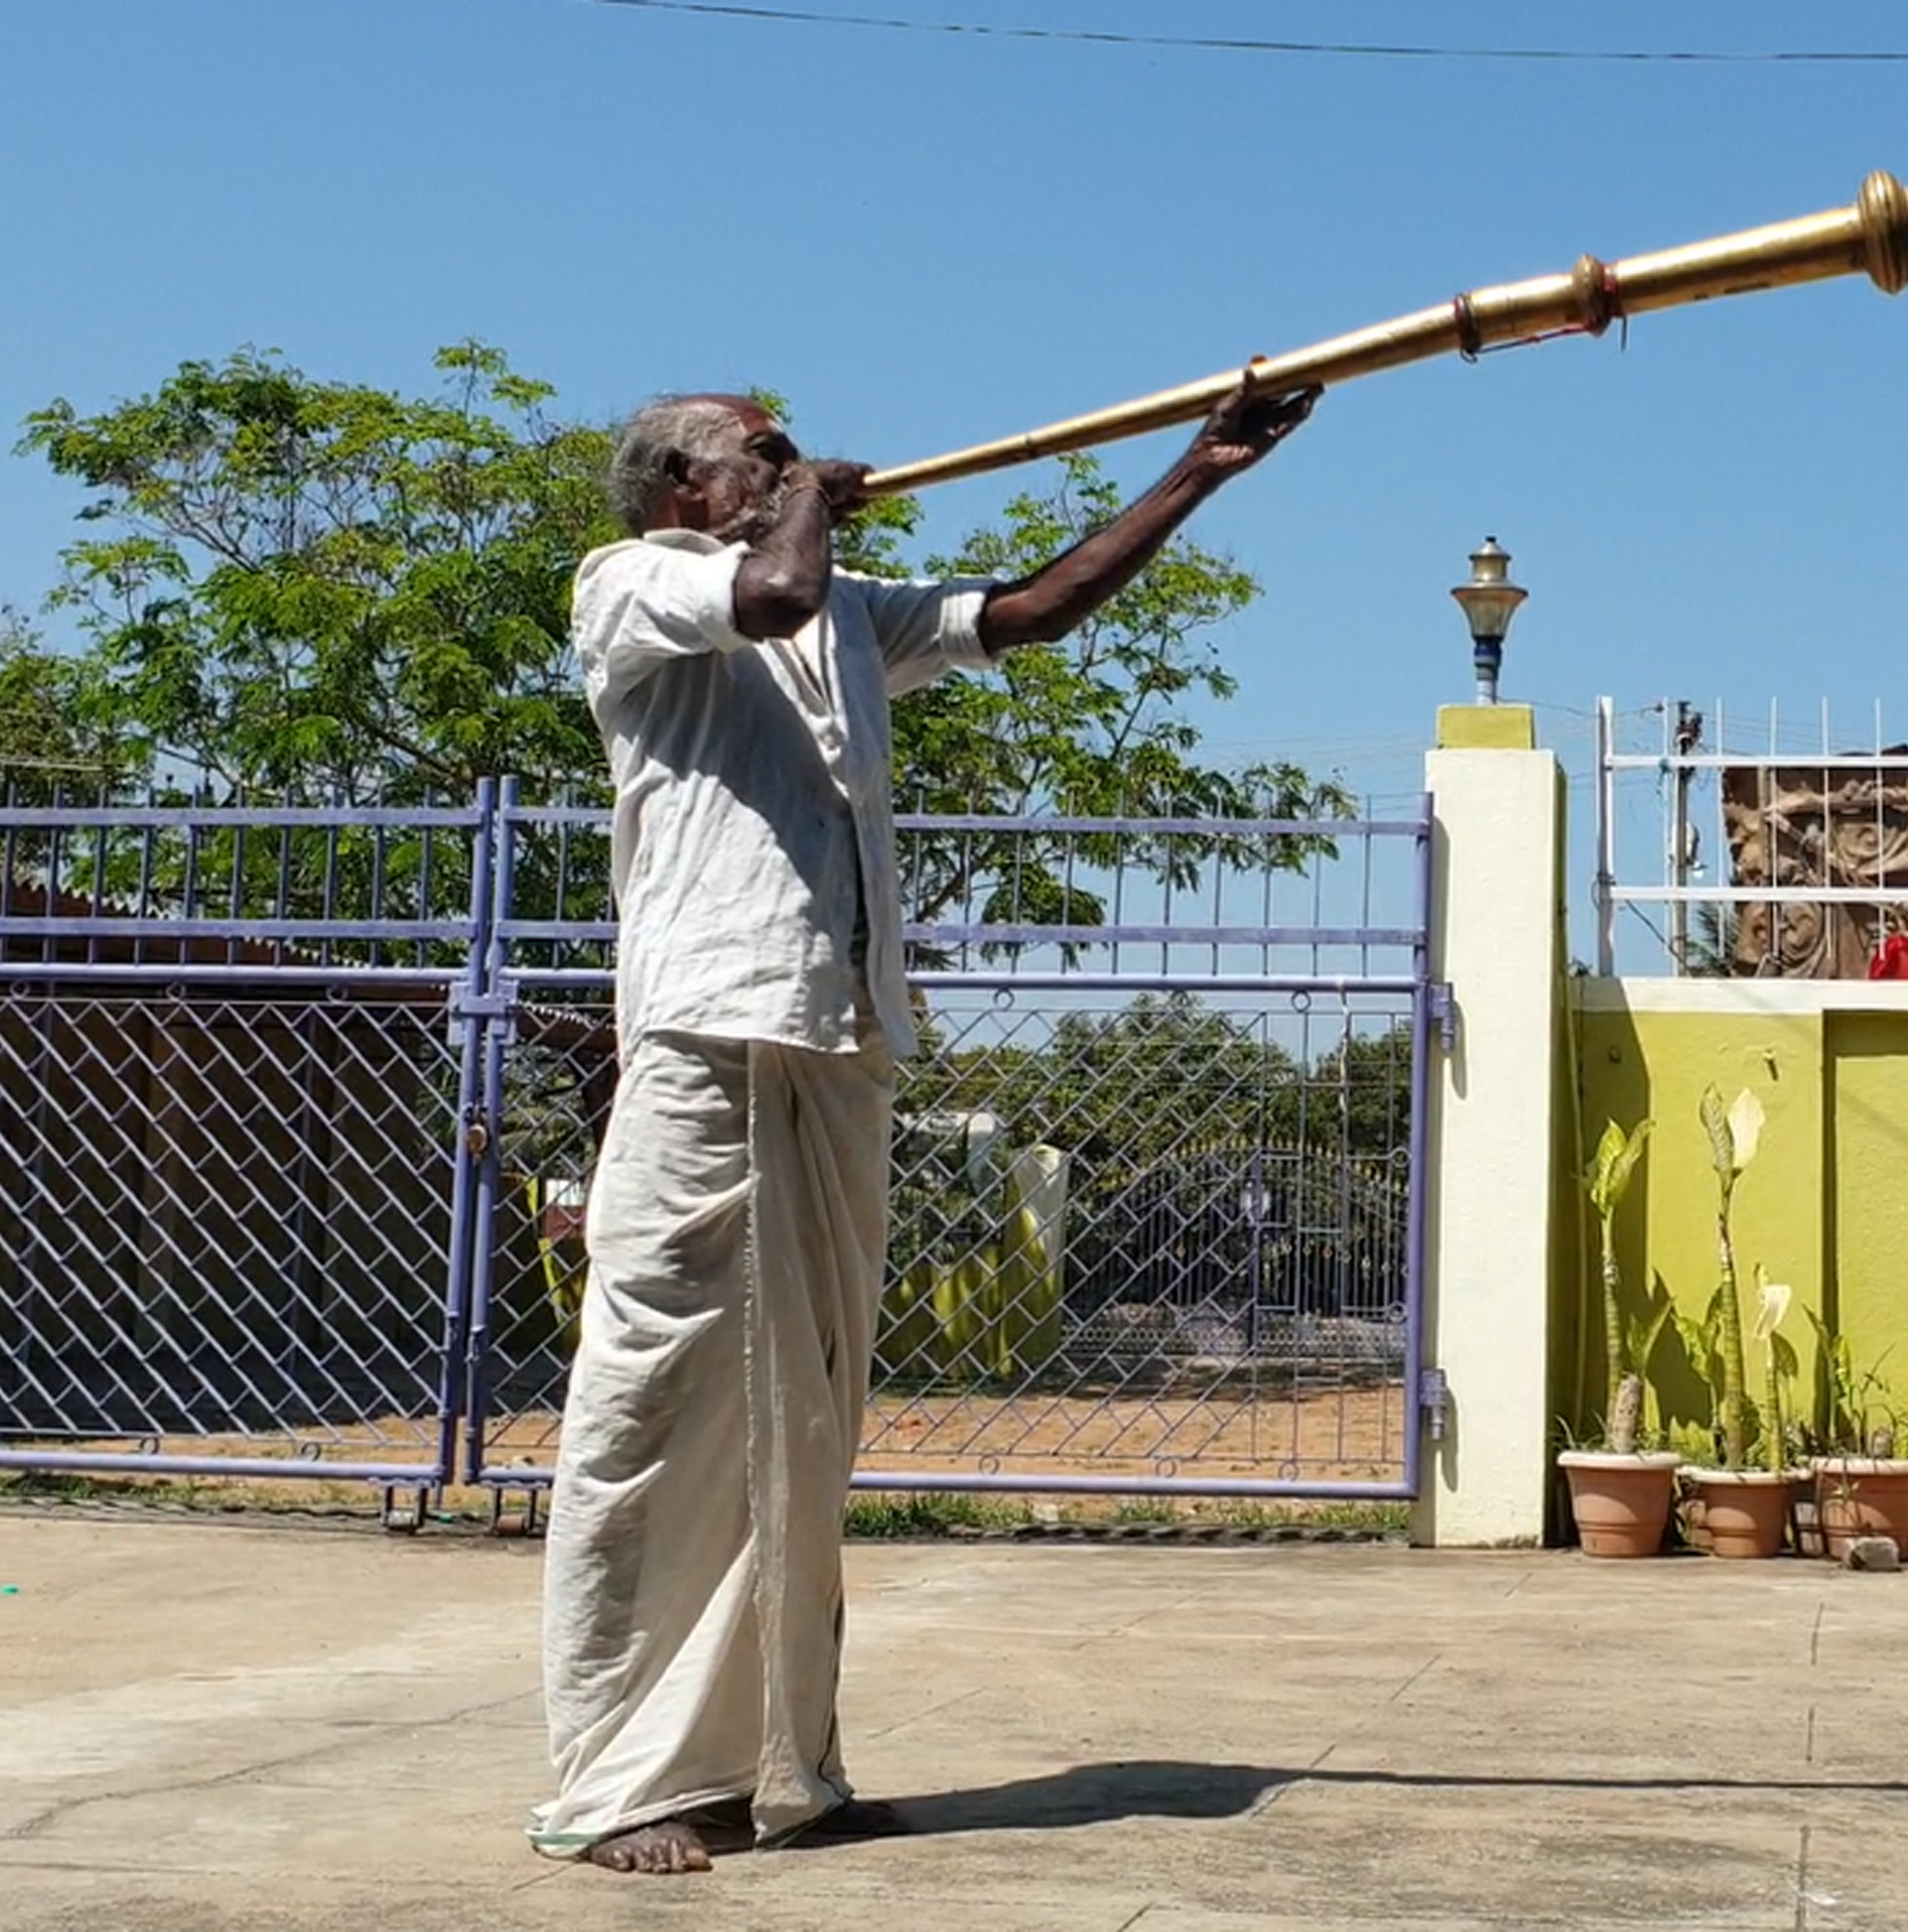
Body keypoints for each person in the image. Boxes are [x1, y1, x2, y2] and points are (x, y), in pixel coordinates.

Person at [528, 374, 1317, 1875]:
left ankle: (778, 1770)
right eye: (754, 449)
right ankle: (626, 1780)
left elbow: (1029, 613)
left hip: (839, 1037)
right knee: (665, 1404)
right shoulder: (637, 580)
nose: (779, 460)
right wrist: (811, 498)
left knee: (806, 1420)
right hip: (712, 1033)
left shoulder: (839, 600)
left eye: (784, 449)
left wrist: (1194, 473)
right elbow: (767, 596)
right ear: (682, 487)